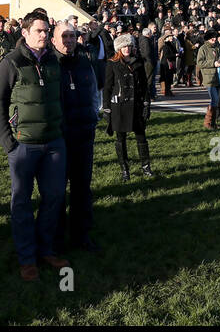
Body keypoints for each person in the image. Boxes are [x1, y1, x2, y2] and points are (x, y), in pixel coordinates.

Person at [0, 10, 68, 281]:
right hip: (23, 145)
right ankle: (26, 257)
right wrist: (9, 143)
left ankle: (46, 249)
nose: (45, 35)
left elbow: (59, 99)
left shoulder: (54, 61)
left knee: (54, 197)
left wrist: (61, 131)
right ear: (24, 33)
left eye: (47, 30)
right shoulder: (10, 63)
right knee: (21, 202)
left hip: (54, 144)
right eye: (39, 31)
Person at [52, 21, 100, 253]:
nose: (68, 41)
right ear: (53, 39)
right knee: (57, 190)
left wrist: (94, 118)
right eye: (63, 36)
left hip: (83, 133)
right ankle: (57, 235)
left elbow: (93, 93)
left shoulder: (83, 62)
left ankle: (81, 234)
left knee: (82, 188)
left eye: (72, 36)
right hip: (59, 136)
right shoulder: (49, 64)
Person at [103, 32, 155, 180]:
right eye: (124, 46)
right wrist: (106, 107)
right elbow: (108, 87)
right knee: (120, 139)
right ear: (119, 48)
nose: (127, 48)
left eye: (129, 45)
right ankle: (125, 170)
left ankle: (146, 167)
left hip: (136, 106)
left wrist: (146, 104)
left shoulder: (138, 62)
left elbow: (144, 85)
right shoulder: (112, 63)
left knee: (141, 137)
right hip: (119, 107)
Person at [197, 27, 220, 130]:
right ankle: (208, 122)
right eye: (212, 38)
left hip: (219, 77)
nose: (214, 39)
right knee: (215, 100)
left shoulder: (218, 47)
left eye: (215, 38)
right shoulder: (203, 49)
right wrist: (213, 63)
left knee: (216, 100)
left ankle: (213, 122)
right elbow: (200, 63)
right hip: (209, 78)